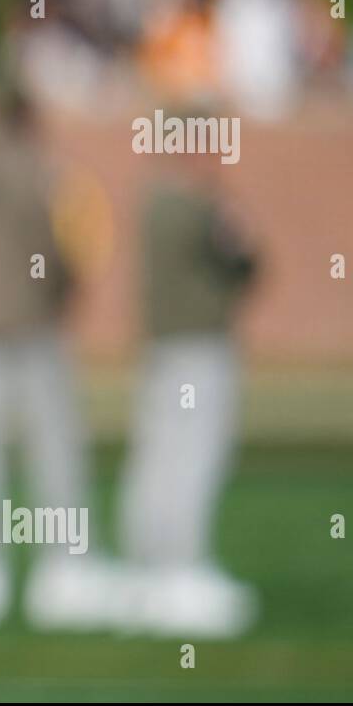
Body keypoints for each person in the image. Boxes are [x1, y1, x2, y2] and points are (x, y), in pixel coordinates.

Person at [0, 88, 110, 633]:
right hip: (32, 330)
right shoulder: (37, 169)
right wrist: (61, 292)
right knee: (54, 453)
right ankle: (64, 571)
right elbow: (55, 251)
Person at [116, 140, 259, 637]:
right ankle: (185, 571)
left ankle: (150, 571)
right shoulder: (198, 206)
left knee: (157, 456)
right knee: (194, 458)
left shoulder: (152, 201)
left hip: (163, 347)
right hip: (199, 346)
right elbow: (246, 263)